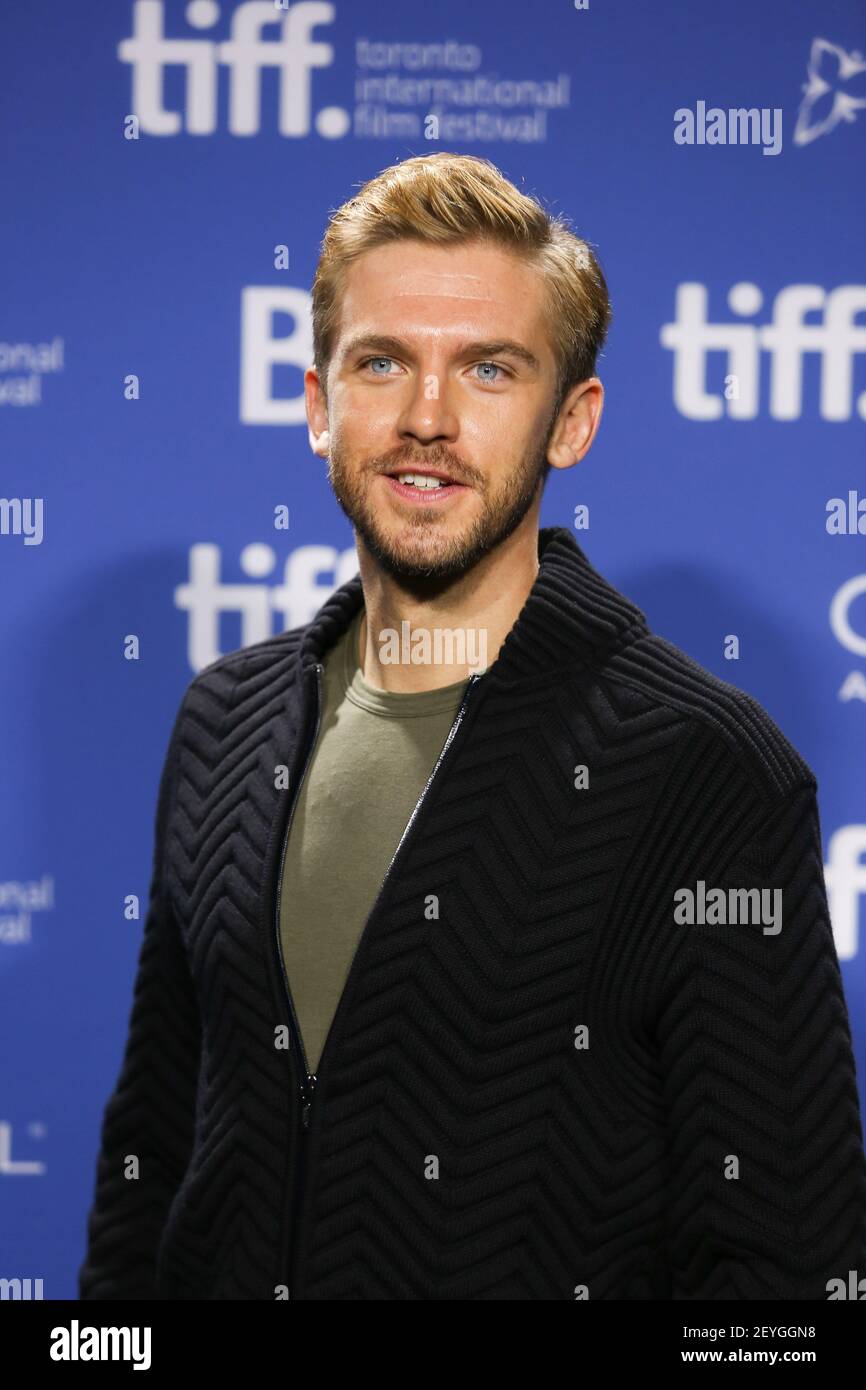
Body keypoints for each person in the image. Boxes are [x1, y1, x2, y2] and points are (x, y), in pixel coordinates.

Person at [79, 152, 866, 1300]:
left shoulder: (701, 770)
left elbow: (788, 1274)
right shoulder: (224, 720)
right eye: (382, 361)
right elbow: (148, 1167)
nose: (426, 418)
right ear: (317, 402)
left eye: (488, 369)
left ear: (571, 421)